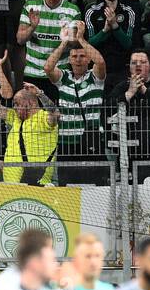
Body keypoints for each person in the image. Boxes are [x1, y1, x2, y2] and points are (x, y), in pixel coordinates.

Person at [45, 34, 107, 186]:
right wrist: (64, 42)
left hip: (90, 138)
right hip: (66, 140)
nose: (78, 59)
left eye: (82, 56)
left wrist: (80, 39)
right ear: (70, 60)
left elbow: (100, 61)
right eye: (74, 56)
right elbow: (48, 67)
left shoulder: (95, 77)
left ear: (88, 59)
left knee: (94, 186)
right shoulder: (64, 77)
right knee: (68, 187)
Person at [0, 81, 60, 185]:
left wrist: (40, 94)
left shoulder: (44, 118)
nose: (14, 107)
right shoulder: (15, 117)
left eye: (17, 103)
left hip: (36, 183)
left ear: (31, 103)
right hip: (11, 185)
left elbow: (55, 113)